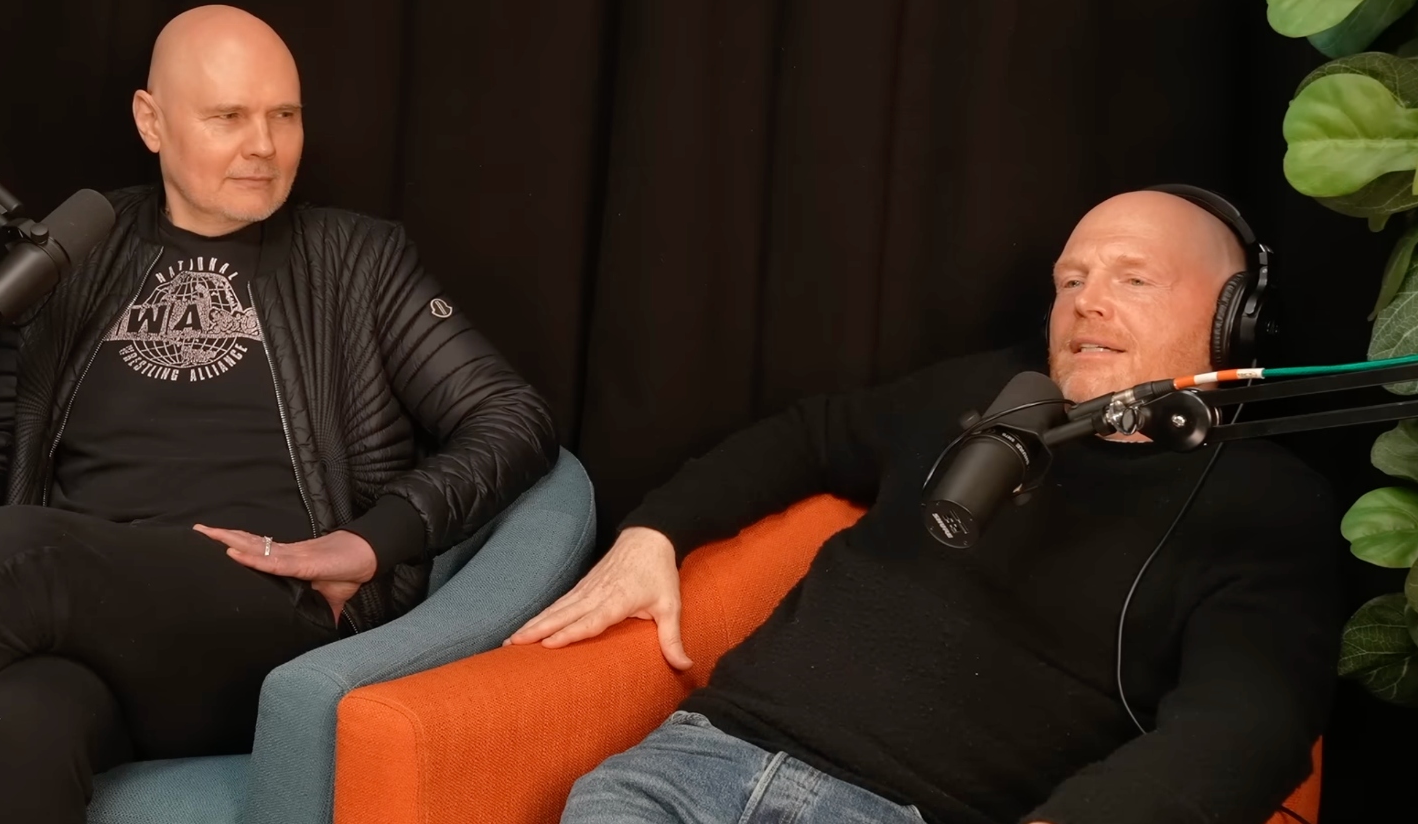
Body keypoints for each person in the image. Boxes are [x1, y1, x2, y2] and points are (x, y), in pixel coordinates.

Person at [0, 5, 558, 824]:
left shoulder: (356, 261)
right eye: (228, 117)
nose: (265, 145)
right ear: (151, 122)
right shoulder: (76, 252)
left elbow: (511, 416)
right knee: (21, 723)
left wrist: (369, 541)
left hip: (262, 612)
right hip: (74, 613)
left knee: (7, 552)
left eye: (284, 115)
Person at [509, 188, 1340, 824]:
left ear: (1234, 318)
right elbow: (810, 435)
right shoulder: (987, 391)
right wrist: (657, 530)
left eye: (1134, 279)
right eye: (1072, 279)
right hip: (697, 761)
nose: (1087, 301)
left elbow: (1249, 722)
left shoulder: (1263, 504)